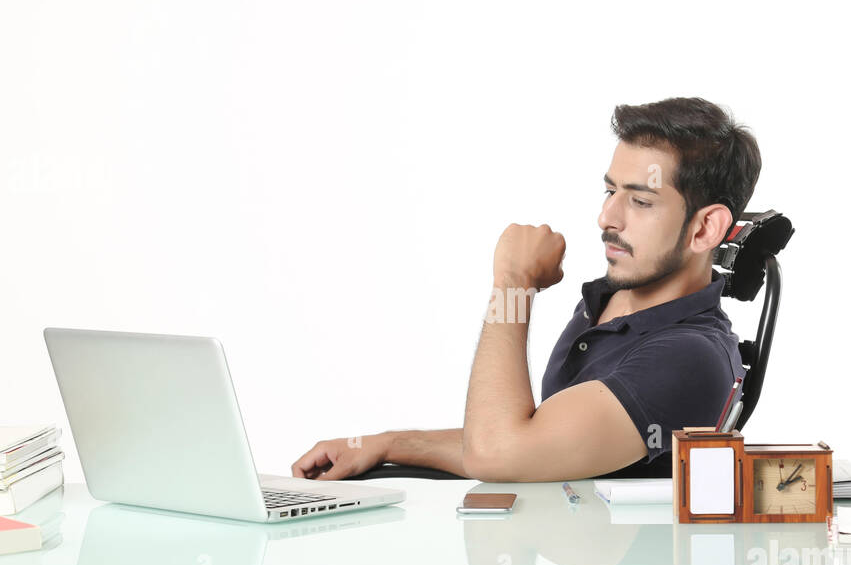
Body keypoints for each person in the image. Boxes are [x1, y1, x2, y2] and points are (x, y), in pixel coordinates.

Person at [292, 96, 761, 483]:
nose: (607, 218)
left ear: (705, 230)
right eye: (610, 192)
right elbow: (527, 438)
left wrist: (513, 286)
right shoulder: (614, 299)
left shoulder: (686, 358)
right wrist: (385, 445)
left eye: (640, 200)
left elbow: (498, 453)